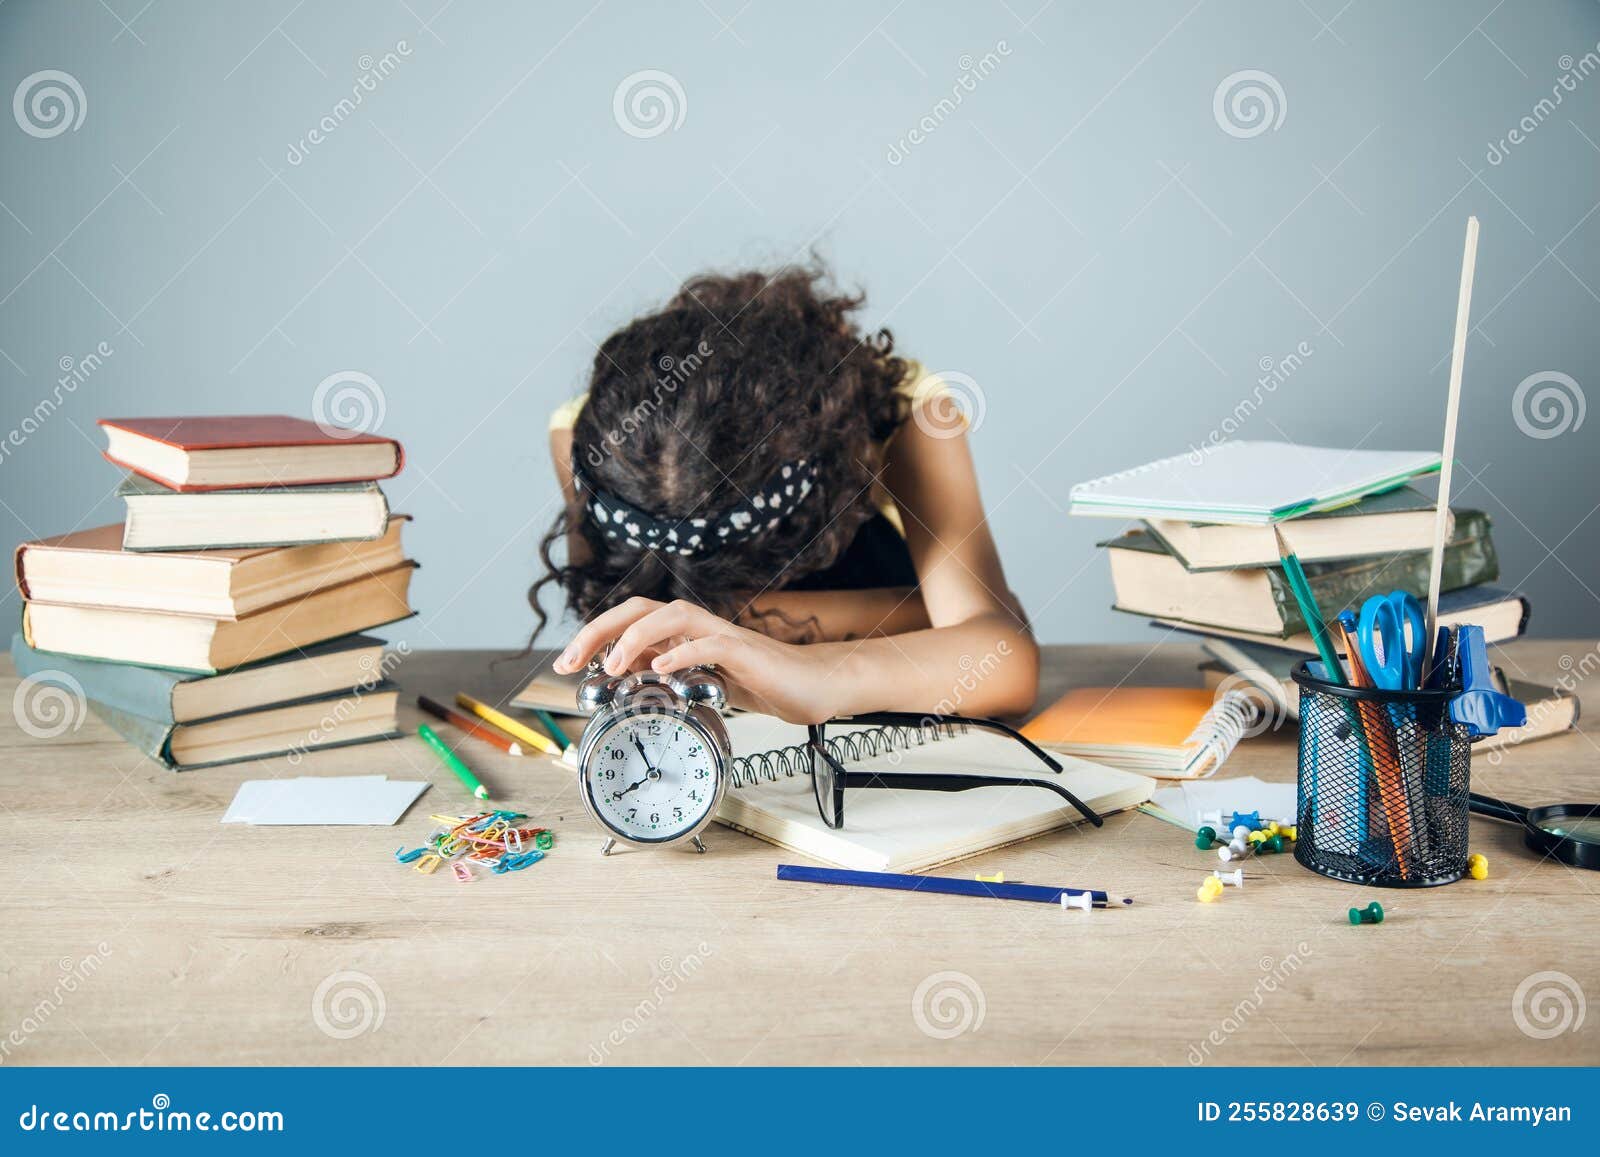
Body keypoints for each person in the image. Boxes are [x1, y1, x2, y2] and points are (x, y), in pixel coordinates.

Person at [536, 264, 1037, 724]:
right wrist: (914, 617)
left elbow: (1002, 657)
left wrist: (810, 673)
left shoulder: (906, 414)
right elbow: (610, 624)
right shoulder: (597, 442)